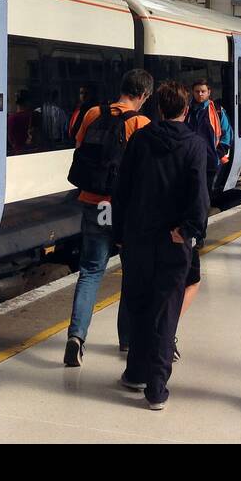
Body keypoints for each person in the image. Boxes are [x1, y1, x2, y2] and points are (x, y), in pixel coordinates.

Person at [112, 80, 211, 411]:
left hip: (139, 237)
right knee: (166, 310)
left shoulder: (141, 138)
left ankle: (135, 373)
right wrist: (191, 230)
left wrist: (120, 233)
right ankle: (156, 388)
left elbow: (122, 187)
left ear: (158, 109)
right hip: (174, 239)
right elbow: (199, 193)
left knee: (139, 304)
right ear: (185, 110)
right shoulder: (195, 145)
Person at [64, 68, 153, 367]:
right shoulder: (141, 122)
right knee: (132, 273)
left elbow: (79, 148)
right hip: (125, 208)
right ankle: (127, 340)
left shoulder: (92, 113)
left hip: (92, 201)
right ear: (142, 96)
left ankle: (76, 337)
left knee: (90, 270)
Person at [187, 78, 231, 169]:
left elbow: (227, 134)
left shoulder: (218, 111)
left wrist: (218, 154)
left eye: (203, 91)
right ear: (193, 92)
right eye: (197, 91)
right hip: (190, 161)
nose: (200, 94)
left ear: (209, 92)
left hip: (211, 162)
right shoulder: (186, 110)